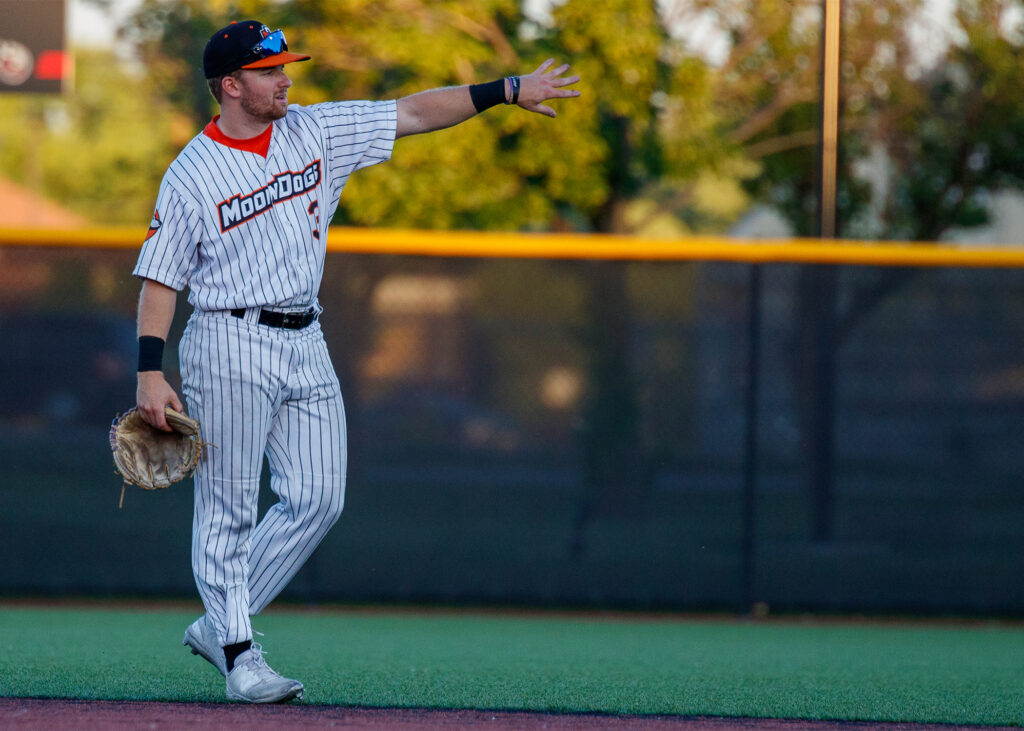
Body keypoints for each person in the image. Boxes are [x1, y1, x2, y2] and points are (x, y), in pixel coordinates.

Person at [132, 19, 580, 704]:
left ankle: (219, 623)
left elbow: (414, 112)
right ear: (231, 85)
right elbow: (161, 278)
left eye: (285, 66)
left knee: (319, 498)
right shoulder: (191, 173)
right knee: (229, 508)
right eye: (269, 70)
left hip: (305, 334)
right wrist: (149, 370)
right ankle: (239, 655)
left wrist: (507, 89)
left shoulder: (316, 130)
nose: (285, 79)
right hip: (227, 339)